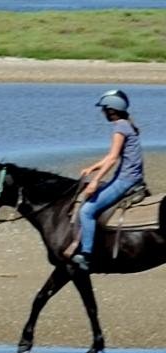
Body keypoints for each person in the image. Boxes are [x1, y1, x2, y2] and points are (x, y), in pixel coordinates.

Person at [68, 89, 146, 271]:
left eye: (104, 109)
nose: (102, 113)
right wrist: (92, 167)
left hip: (126, 179)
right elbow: (112, 155)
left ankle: (86, 254)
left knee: (87, 211)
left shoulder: (120, 128)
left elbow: (112, 159)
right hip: (130, 177)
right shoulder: (127, 125)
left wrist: (95, 181)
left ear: (112, 109)